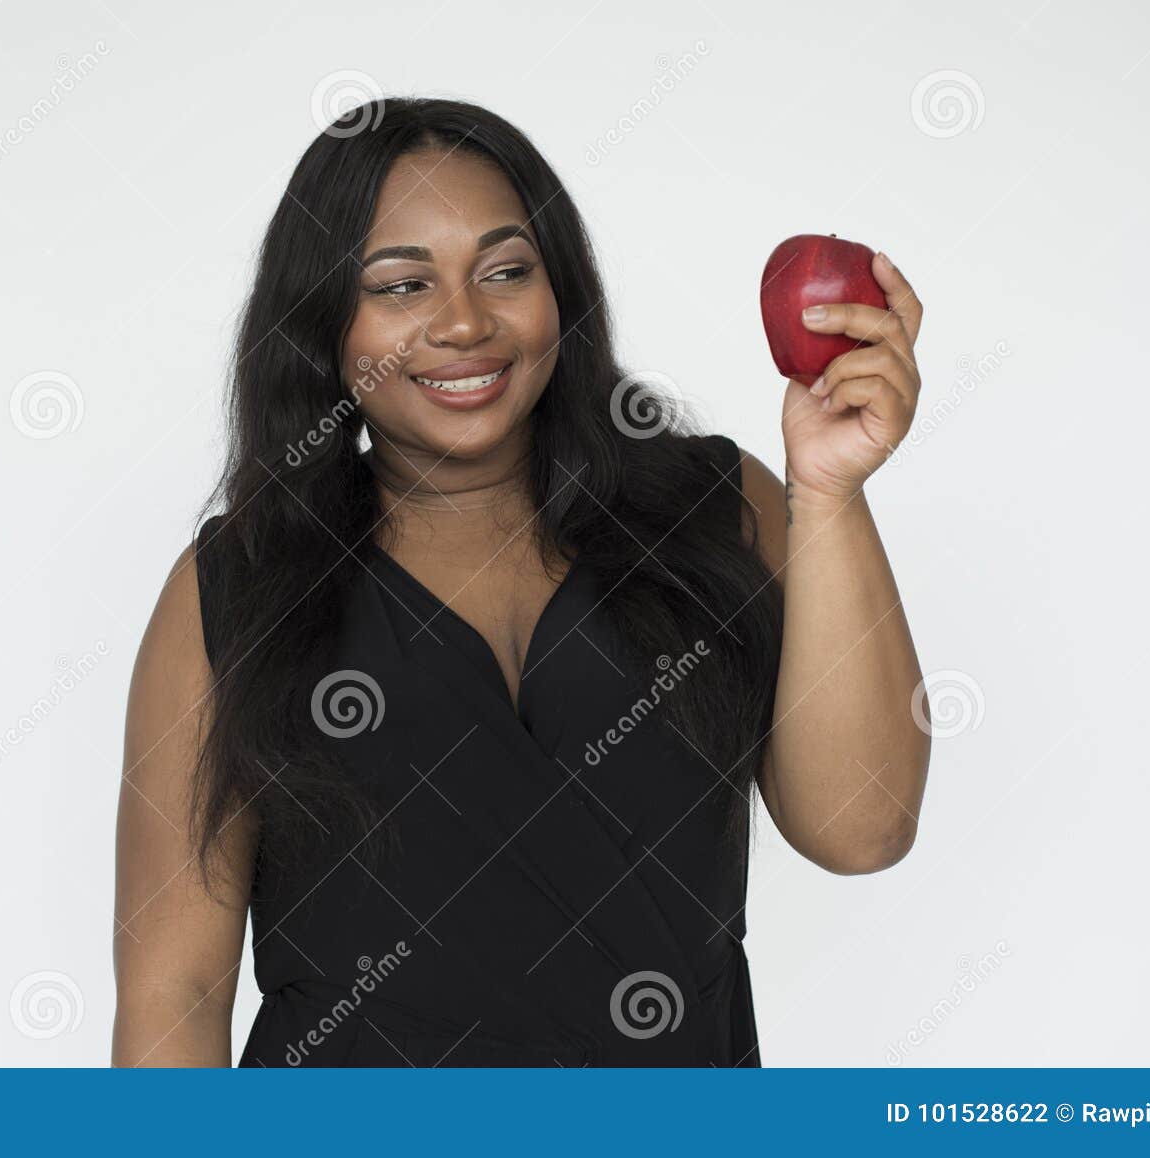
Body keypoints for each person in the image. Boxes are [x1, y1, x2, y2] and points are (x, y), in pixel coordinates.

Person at [112, 97, 930, 1067]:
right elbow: (177, 988)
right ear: (325, 320)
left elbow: (861, 828)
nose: (464, 321)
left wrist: (829, 491)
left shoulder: (717, 507)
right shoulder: (240, 586)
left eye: (506, 271)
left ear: (562, 293)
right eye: (402, 285)